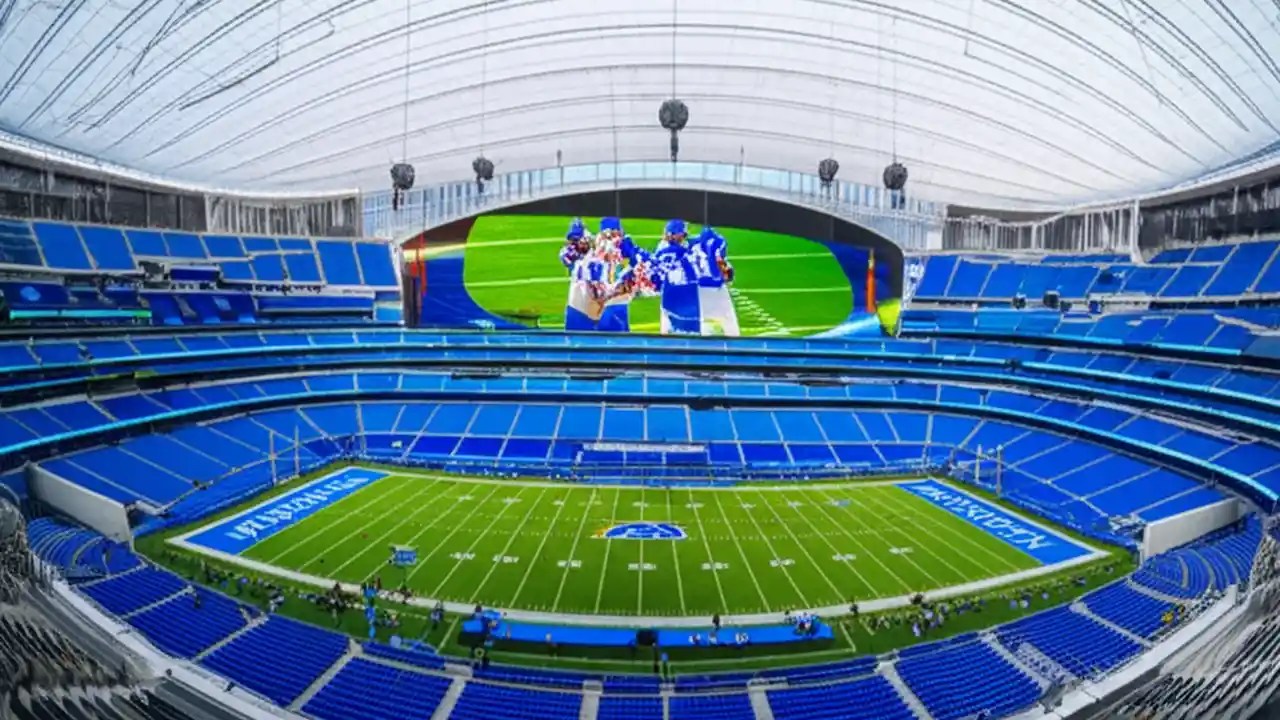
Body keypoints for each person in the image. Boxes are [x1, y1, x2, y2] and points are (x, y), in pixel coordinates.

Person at [651, 219, 701, 334]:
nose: (685, 234)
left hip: (687, 294)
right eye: (682, 232)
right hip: (675, 293)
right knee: (672, 331)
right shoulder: (665, 250)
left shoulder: (683, 245)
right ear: (673, 234)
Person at [689, 226, 739, 336]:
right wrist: (726, 272)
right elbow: (718, 261)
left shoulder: (692, 243)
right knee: (730, 323)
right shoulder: (718, 241)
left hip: (698, 289)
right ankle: (735, 348)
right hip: (716, 288)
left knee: (699, 322)